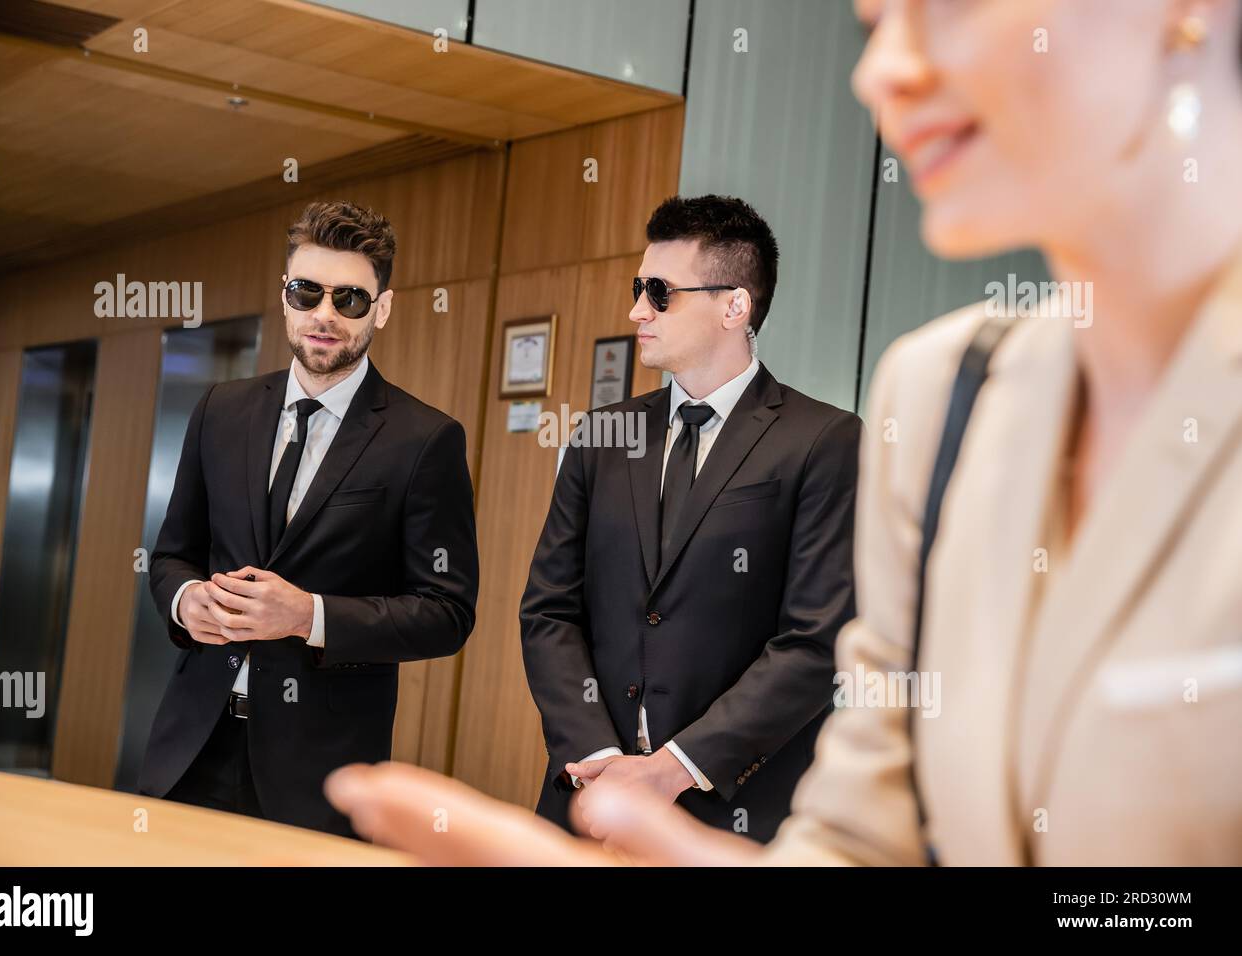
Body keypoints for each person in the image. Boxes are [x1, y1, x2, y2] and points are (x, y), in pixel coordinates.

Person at [326, 0, 1242, 864]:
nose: (880, 72)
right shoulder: (942, 395)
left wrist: (680, 779)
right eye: (876, 23)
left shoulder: (829, 436)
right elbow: (861, 840)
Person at [521, 195, 861, 843]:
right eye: (636, 288)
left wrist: (674, 768)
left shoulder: (825, 440)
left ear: (734, 305)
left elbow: (816, 643)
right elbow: (548, 611)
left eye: (659, 292)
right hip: (586, 798)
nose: (636, 311)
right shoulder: (602, 435)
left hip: (737, 810)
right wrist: (597, 757)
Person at [138, 200, 478, 838]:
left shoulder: (425, 440)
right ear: (285, 297)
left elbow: (446, 613)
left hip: (319, 774)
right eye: (307, 293)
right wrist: (186, 601)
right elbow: (170, 555)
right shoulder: (221, 409)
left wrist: (308, 616)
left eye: (350, 299)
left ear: (382, 308)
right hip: (189, 748)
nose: (325, 315)